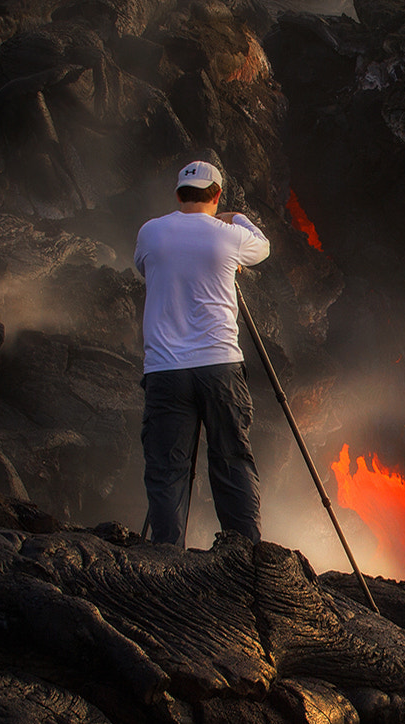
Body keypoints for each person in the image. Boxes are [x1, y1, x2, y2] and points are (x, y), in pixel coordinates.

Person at [133, 160, 270, 546]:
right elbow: (264, 247)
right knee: (232, 460)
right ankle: (245, 558)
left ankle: (166, 557)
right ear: (217, 195)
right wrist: (236, 218)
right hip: (220, 367)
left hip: (165, 370)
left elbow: (149, 269)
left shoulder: (150, 232)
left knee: (167, 470)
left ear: (178, 195)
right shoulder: (228, 236)